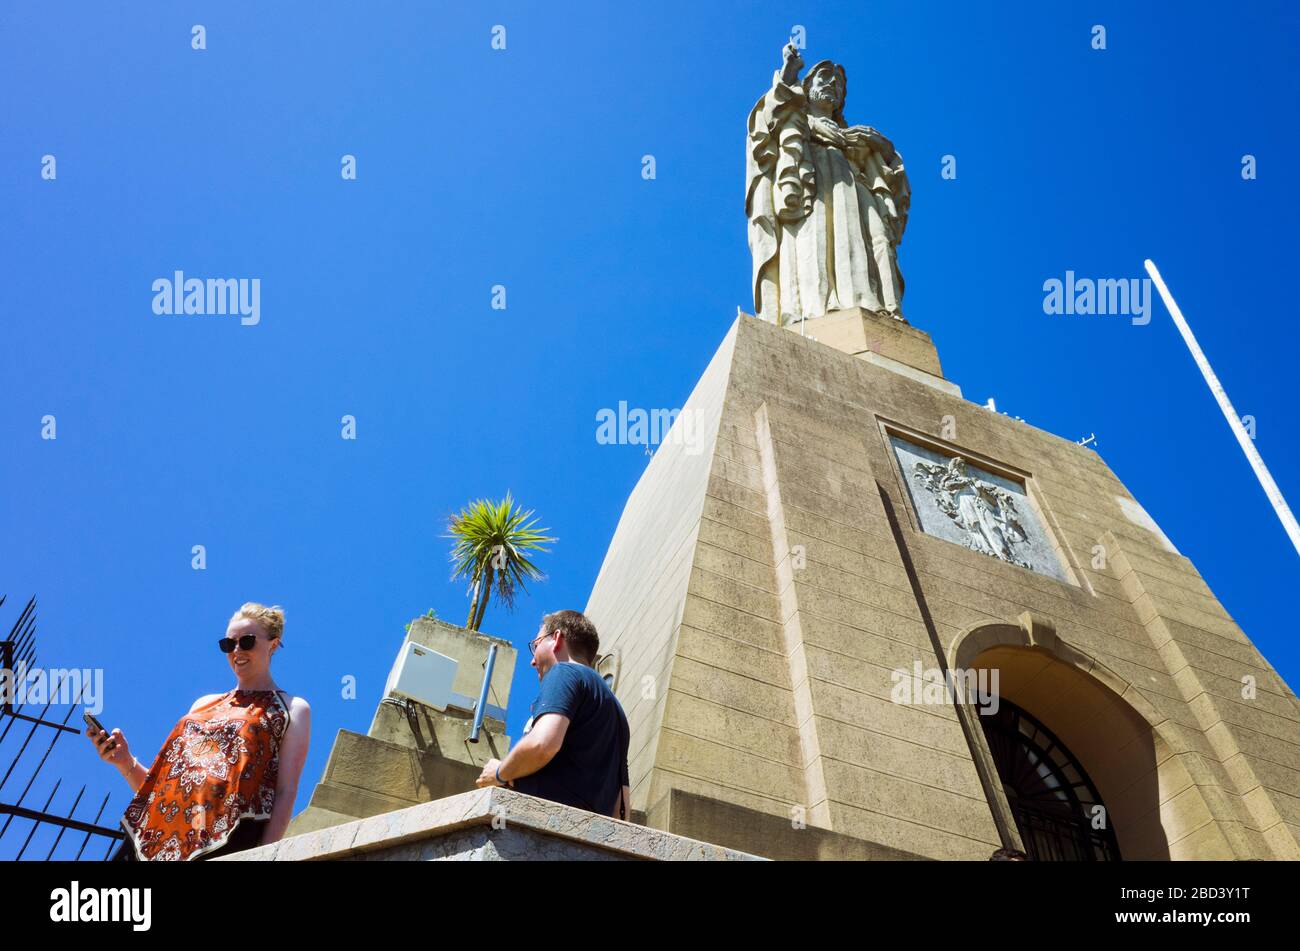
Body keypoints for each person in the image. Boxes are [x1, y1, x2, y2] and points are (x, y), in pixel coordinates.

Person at [86, 602, 312, 860]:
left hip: (226, 843)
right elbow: (164, 792)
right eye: (229, 644)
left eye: (247, 641)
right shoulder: (202, 704)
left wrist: (266, 855)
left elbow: (286, 791)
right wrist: (125, 761)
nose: (236, 650)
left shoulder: (291, 709)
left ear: (273, 644)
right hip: (152, 843)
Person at [477, 610, 631, 820]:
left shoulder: (564, 673)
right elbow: (622, 806)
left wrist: (499, 773)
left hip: (543, 827)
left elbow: (542, 743)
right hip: (587, 840)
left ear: (557, 638)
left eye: (536, 644)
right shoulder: (616, 712)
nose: (532, 661)